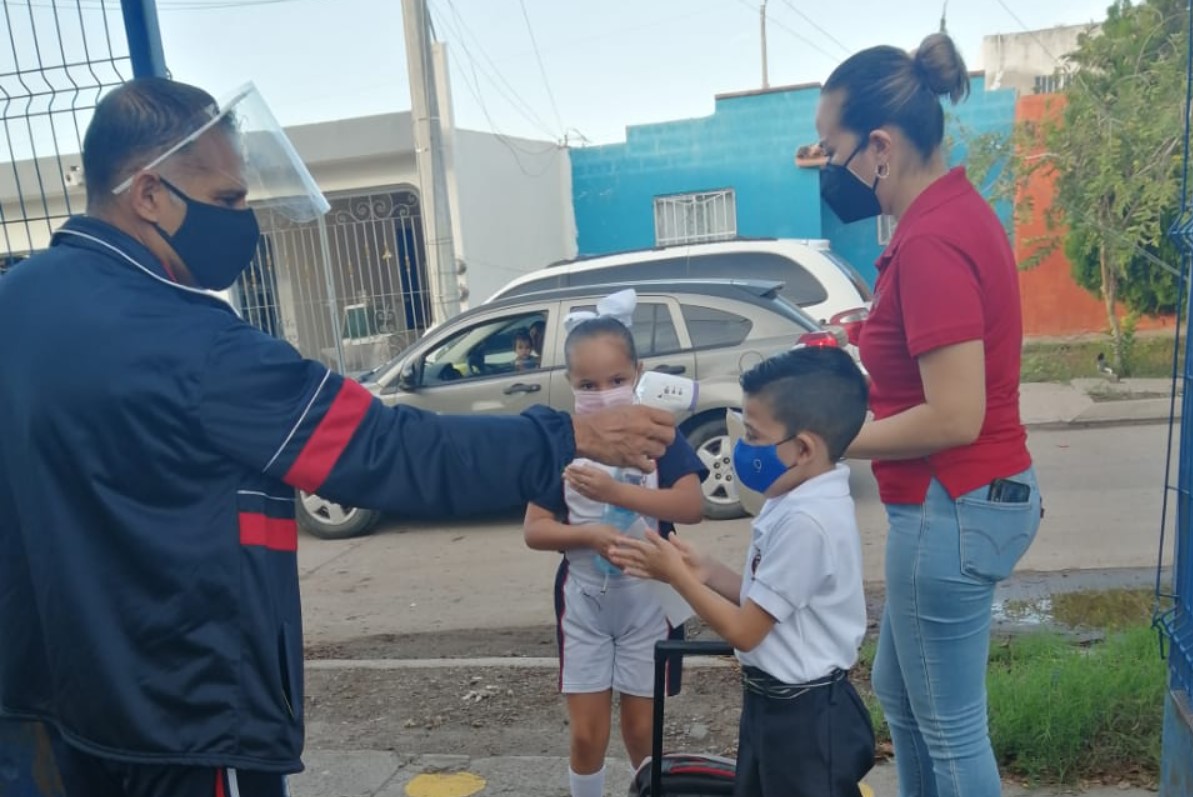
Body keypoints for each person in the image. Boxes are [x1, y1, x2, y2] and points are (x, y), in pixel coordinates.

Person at [0, 77, 676, 797]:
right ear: (147, 193)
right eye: (229, 199)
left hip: (40, 706)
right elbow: (388, 451)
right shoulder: (195, 345)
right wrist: (566, 436)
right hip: (185, 715)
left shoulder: (15, 304)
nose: (243, 221)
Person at [815, 33, 1042, 797]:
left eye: (832, 149)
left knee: (949, 729)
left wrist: (830, 440)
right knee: (902, 694)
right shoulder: (944, 218)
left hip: (951, 501)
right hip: (962, 500)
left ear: (879, 146)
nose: (827, 166)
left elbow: (953, 416)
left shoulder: (931, 240)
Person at [614, 347, 876, 797]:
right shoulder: (790, 495)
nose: (742, 446)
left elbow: (745, 631)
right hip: (775, 703)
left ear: (803, 448)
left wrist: (678, 577)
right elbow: (769, 604)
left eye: (753, 435)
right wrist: (706, 571)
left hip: (806, 720)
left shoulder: (808, 521)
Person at [523, 290, 706, 797]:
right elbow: (535, 529)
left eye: (617, 380)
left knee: (642, 733)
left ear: (638, 372)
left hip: (649, 603)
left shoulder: (658, 433)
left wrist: (614, 493)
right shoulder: (563, 444)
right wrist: (587, 533)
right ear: (569, 383)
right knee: (587, 735)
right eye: (588, 385)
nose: (604, 394)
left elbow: (690, 506)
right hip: (583, 604)